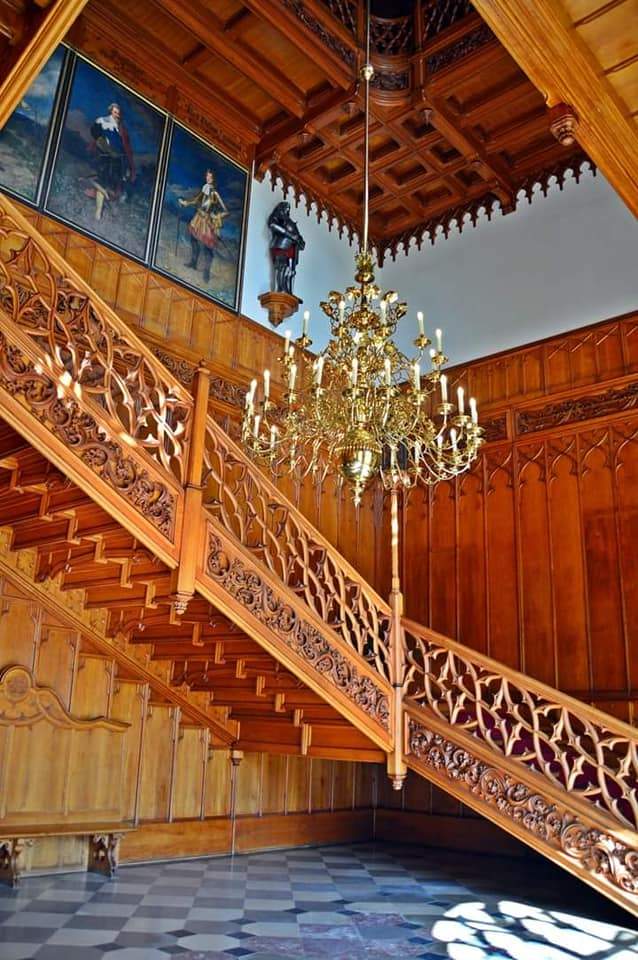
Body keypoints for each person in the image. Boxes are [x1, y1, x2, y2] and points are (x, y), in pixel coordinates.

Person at [178, 170, 228, 285]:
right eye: (207, 176)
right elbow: (197, 199)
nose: (208, 178)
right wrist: (186, 203)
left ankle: (206, 272)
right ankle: (193, 262)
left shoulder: (215, 194)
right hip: (199, 217)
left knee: (208, 248)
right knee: (193, 239)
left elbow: (225, 211)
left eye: (210, 177)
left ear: (214, 179)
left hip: (207, 221)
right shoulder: (205, 188)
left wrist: (216, 215)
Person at [89, 103, 135, 221]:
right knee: (102, 181)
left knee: (115, 184)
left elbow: (125, 147)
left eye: (118, 113)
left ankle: (108, 199)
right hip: (106, 156)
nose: (117, 115)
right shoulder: (102, 121)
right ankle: (98, 211)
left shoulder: (120, 129)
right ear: (111, 112)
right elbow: (96, 134)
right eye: (115, 112)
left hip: (117, 159)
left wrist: (127, 164)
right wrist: (105, 147)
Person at [267, 201, 305, 295]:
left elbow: (297, 235)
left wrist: (300, 241)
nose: (287, 210)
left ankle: (288, 290)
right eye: (286, 208)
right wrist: (290, 235)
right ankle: (279, 288)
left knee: (290, 271)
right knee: (281, 266)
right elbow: (272, 225)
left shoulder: (289, 221)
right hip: (281, 244)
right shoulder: (278, 216)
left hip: (292, 247)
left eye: (288, 209)